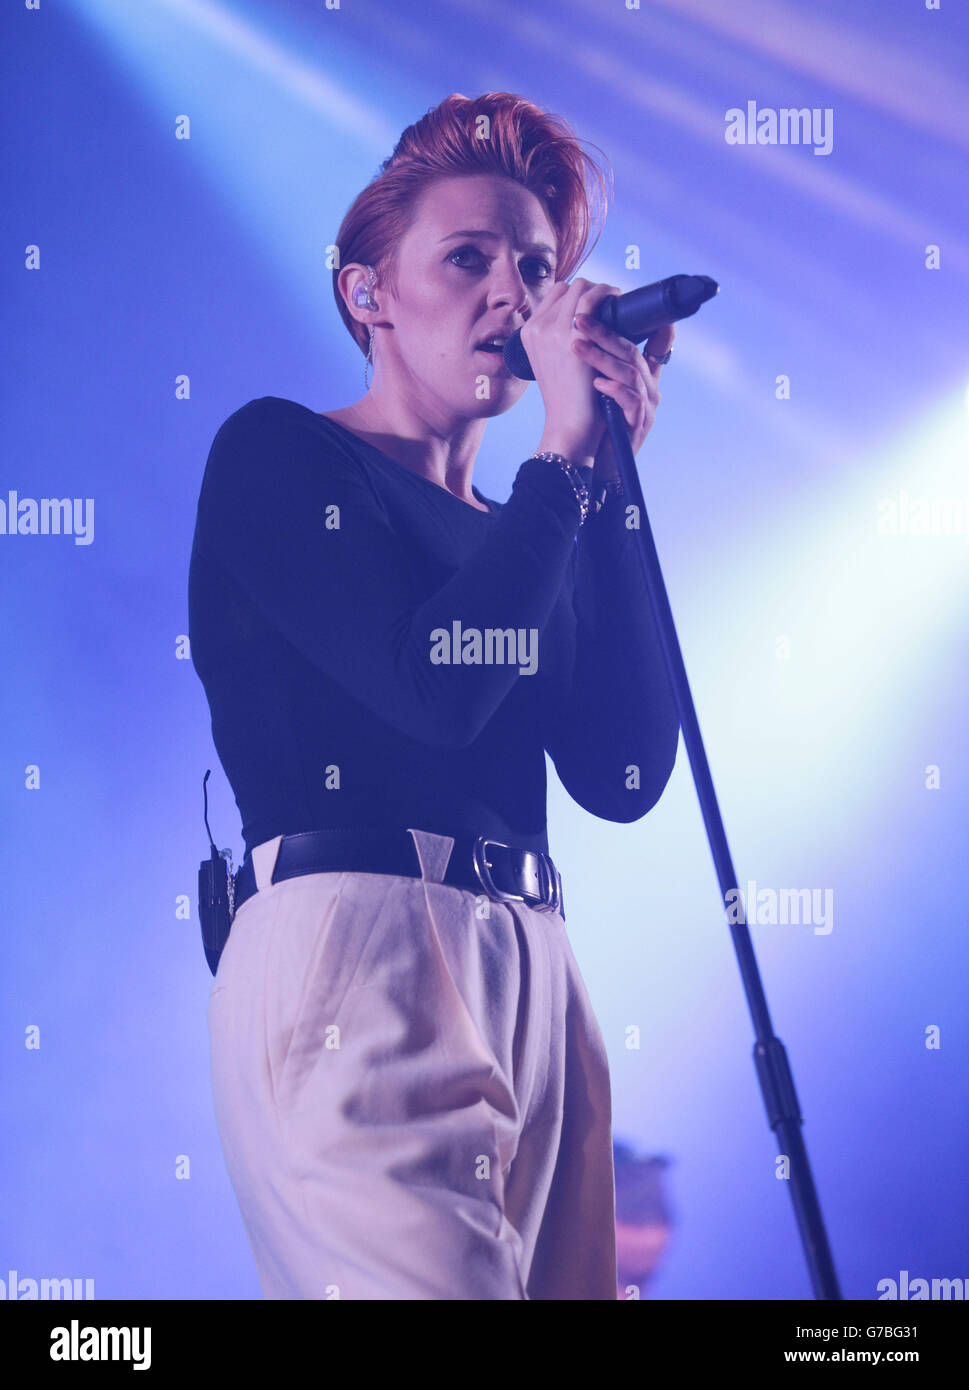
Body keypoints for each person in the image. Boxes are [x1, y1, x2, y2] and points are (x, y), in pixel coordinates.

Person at [188, 90, 679, 1301]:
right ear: (369, 292)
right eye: (468, 258)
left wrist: (606, 474)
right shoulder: (281, 453)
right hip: (363, 954)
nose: (512, 294)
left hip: (539, 969)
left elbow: (624, 773)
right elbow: (435, 685)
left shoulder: (530, 524)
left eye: (535, 265)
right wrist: (560, 467)